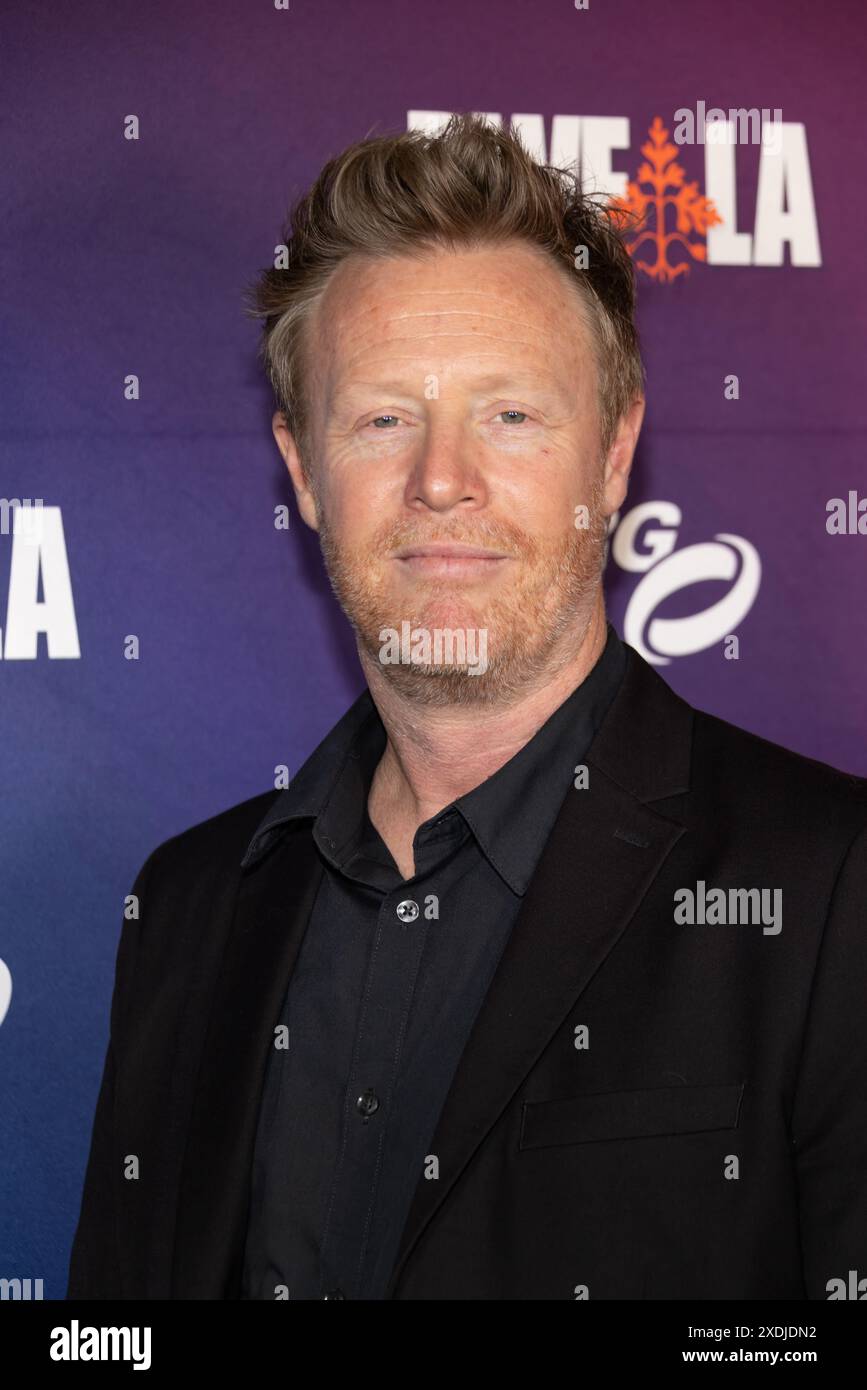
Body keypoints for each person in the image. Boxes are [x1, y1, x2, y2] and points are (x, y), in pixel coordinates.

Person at [67, 113, 867, 1301]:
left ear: (612, 455)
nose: (443, 479)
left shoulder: (832, 890)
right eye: (385, 417)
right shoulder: (190, 907)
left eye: (510, 414)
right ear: (302, 470)